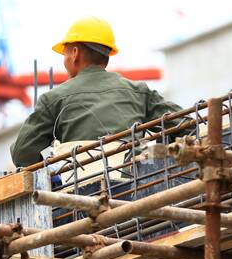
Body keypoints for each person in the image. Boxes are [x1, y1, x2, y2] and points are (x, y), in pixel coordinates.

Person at [10, 17, 183, 168]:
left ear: (75, 53)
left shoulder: (53, 99)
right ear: (107, 55)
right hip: (136, 187)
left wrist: (50, 174)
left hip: (79, 194)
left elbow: (22, 153)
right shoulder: (138, 91)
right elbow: (185, 124)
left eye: (65, 52)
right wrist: (161, 151)